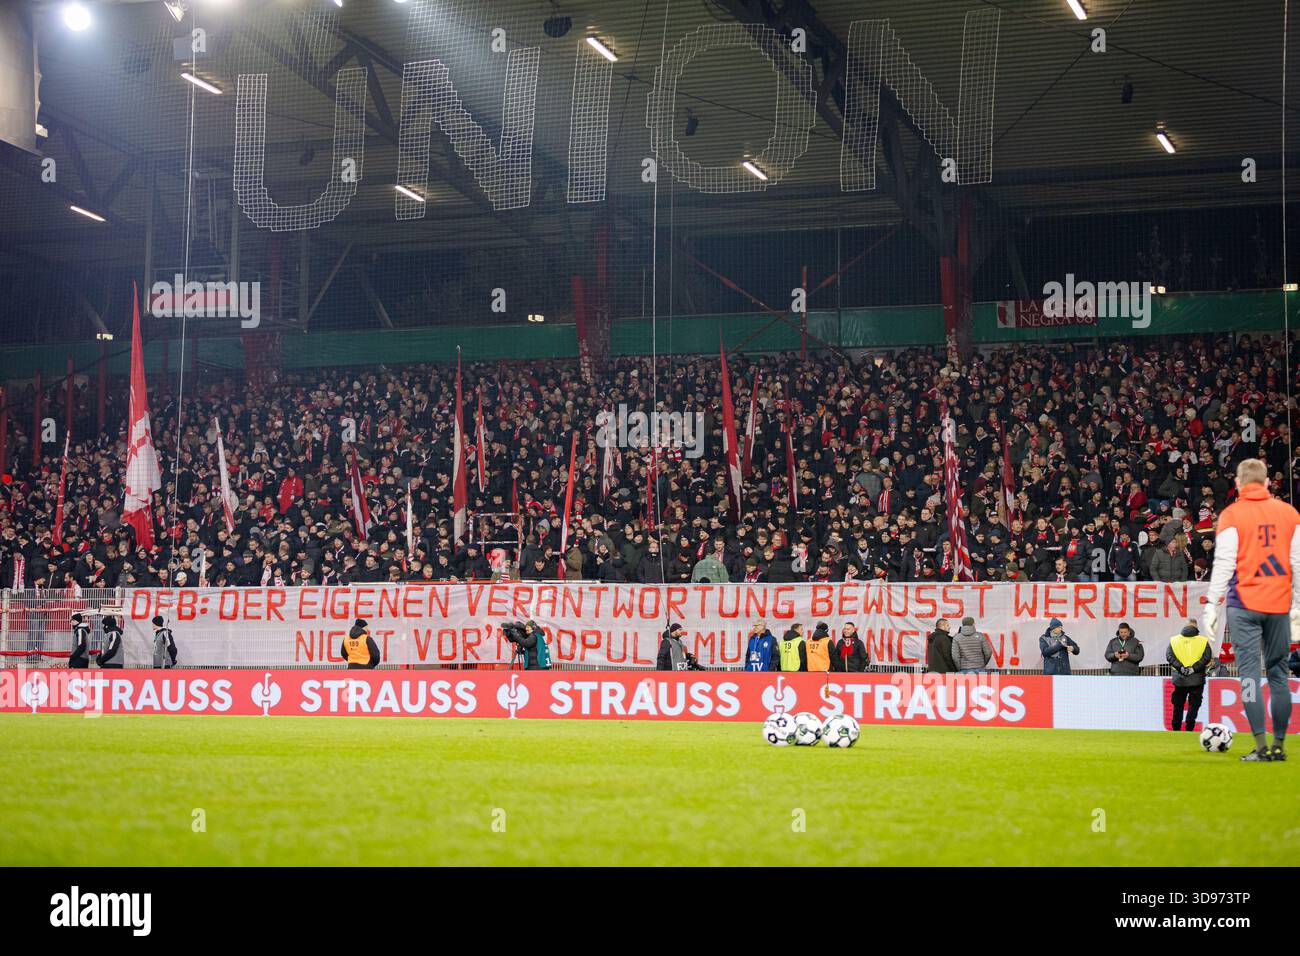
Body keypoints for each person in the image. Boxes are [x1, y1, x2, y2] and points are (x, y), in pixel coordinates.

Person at [1203, 458, 1297, 761]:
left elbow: (1224, 565)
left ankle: (1260, 746)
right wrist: (1298, 603)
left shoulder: (1232, 515)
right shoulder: (1289, 514)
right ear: (1268, 483)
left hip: (1243, 605)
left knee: (1249, 676)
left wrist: (1211, 607)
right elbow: (1297, 563)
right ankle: (1279, 746)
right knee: (1279, 675)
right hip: (1279, 605)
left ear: (1238, 485)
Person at [1168, 621, 1213, 732]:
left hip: (1180, 678)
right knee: (1194, 705)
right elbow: (1206, 657)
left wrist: (1181, 668)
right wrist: (1194, 668)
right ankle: (1189, 727)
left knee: (1178, 705)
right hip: (1196, 678)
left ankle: (1176, 728)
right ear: (1196, 628)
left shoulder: (1174, 640)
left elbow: (1169, 656)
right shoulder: (1203, 641)